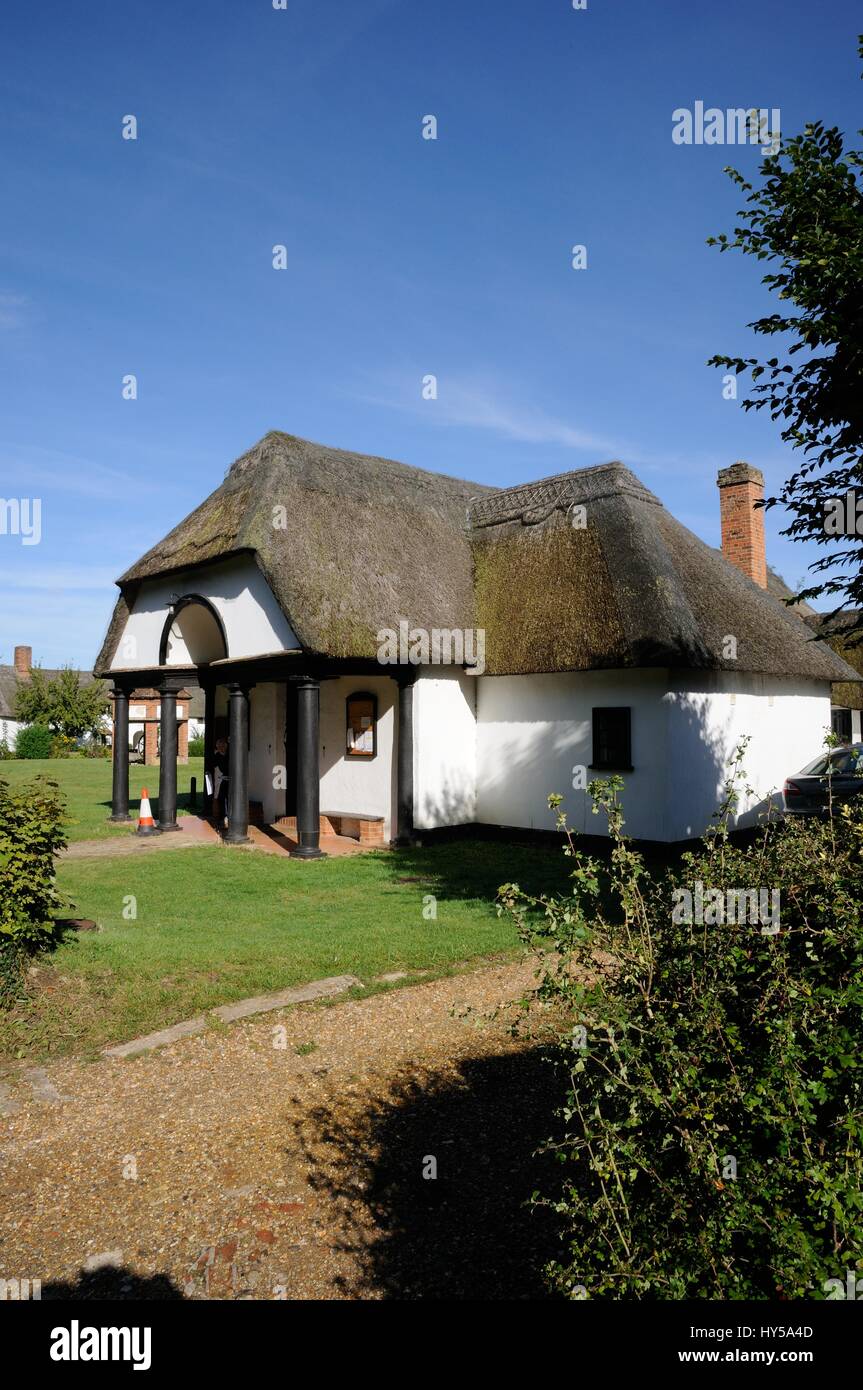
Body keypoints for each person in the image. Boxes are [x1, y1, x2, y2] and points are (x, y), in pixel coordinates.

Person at [214, 737, 230, 828]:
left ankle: (228, 816)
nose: (221, 748)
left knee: (229, 798)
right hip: (222, 780)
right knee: (222, 798)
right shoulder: (216, 756)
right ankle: (223, 816)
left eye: (223, 746)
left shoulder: (229, 755)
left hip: (230, 780)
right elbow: (217, 767)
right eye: (219, 746)